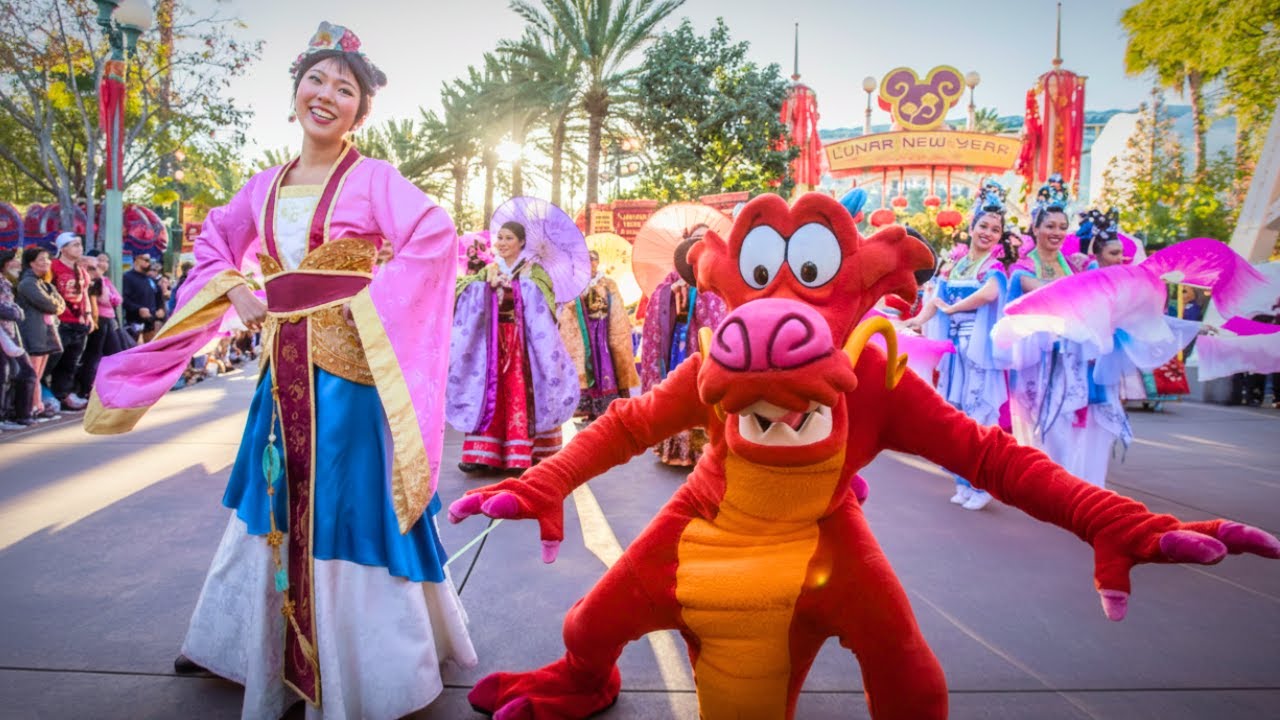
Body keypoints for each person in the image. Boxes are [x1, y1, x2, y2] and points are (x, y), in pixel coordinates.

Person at [85, 22, 474, 719]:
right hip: (280, 373)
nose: (326, 95)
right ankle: (245, 648)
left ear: (361, 109)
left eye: (345, 88)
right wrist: (233, 284)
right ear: (295, 90)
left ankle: (367, 670)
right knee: (270, 502)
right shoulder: (259, 188)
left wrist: (366, 306)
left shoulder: (376, 179)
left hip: (349, 382)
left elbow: (434, 237)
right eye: (316, 80)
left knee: (346, 504)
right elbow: (212, 246)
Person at [905, 186, 1013, 510]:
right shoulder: (955, 266)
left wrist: (955, 308)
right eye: (984, 226)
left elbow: (990, 294)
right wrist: (915, 321)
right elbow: (934, 302)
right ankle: (962, 479)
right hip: (955, 354)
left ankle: (981, 485)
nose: (988, 233)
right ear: (972, 226)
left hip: (978, 353)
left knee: (979, 417)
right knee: (956, 416)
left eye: (996, 229)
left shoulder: (994, 268)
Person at [450, 217, 580, 473]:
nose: (503, 243)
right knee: (488, 393)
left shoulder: (534, 271)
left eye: (509, 238)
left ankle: (520, 454)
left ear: (522, 242)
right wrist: (488, 287)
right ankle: (483, 454)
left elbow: (546, 302)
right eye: (500, 238)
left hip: (524, 344)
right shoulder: (488, 269)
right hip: (491, 344)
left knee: (520, 392)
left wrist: (514, 288)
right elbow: (462, 291)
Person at [1003, 201, 1114, 487]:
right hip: (1036, 358)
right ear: (1036, 228)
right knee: (1040, 418)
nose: (1057, 232)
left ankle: (1064, 482)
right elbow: (1045, 293)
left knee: (1068, 418)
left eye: (1063, 227)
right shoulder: (1024, 266)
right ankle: (1044, 481)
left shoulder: (1074, 264)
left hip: (1070, 356)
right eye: (1050, 226)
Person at [639, 226, 728, 467]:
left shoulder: (718, 276)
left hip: (706, 346)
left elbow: (718, 312)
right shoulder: (670, 279)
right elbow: (657, 305)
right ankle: (680, 447)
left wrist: (695, 296)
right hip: (678, 348)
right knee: (682, 390)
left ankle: (707, 447)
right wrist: (674, 294)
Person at [560, 250, 641, 420]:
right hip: (585, 330)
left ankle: (608, 403)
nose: (591, 264)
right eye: (587, 261)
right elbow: (569, 307)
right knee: (587, 363)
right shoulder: (576, 283)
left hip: (603, 329)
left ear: (597, 263)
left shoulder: (608, 283)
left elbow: (617, 306)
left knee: (606, 363)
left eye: (594, 261)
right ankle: (589, 405)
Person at [14, 247, 63, 421]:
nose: (46, 262)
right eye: (41, 259)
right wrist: (55, 304)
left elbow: (60, 304)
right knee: (32, 373)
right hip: (33, 333)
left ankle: (37, 405)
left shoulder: (45, 283)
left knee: (38, 374)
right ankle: (30, 408)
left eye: (47, 259)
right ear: (31, 263)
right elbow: (50, 305)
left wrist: (55, 304)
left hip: (45, 333)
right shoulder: (28, 283)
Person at [47, 232, 91, 410]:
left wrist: (88, 314)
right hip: (60, 322)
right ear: (63, 248)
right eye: (74, 245)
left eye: (80, 244)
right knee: (53, 361)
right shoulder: (53, 267)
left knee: (71, 362)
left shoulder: (80, 270)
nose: (79, 248)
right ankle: (46, 396)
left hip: (79, 323)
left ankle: (63, 394)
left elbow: (85, 293)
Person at [0, 249, 36, 428]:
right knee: (5, 374)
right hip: (3, 336)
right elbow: (7, 309)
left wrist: (15, 311)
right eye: (14, 260)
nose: (17, 264)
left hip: (10, 334)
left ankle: (21, 415)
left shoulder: (6, 282)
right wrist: (15, 311)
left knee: (24, 372)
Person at [121, 253, 159, 341]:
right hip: (134, 322)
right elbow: (124, 299)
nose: (149, 263)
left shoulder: (150, 279)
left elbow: (157, 295)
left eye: (149, 261)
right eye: (146, 260)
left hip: (151, 322)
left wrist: (160, 308)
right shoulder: (127, 277)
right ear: (137, 260)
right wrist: (138, 309)